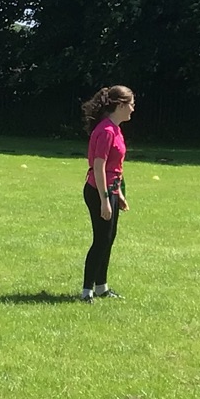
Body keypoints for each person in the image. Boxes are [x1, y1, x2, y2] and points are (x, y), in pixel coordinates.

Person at [81, 85, 135, 300]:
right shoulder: (105, 131)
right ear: (120, 105)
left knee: (109, 238)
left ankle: (101, 287)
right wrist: (104, 200)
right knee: (101, 240)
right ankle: (87, 291)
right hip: (97, 191)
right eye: (131, 104)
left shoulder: (116, 129)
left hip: (110, 190)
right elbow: (99, 166)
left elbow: (116, 167)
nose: (133, 108)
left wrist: (118, 194)